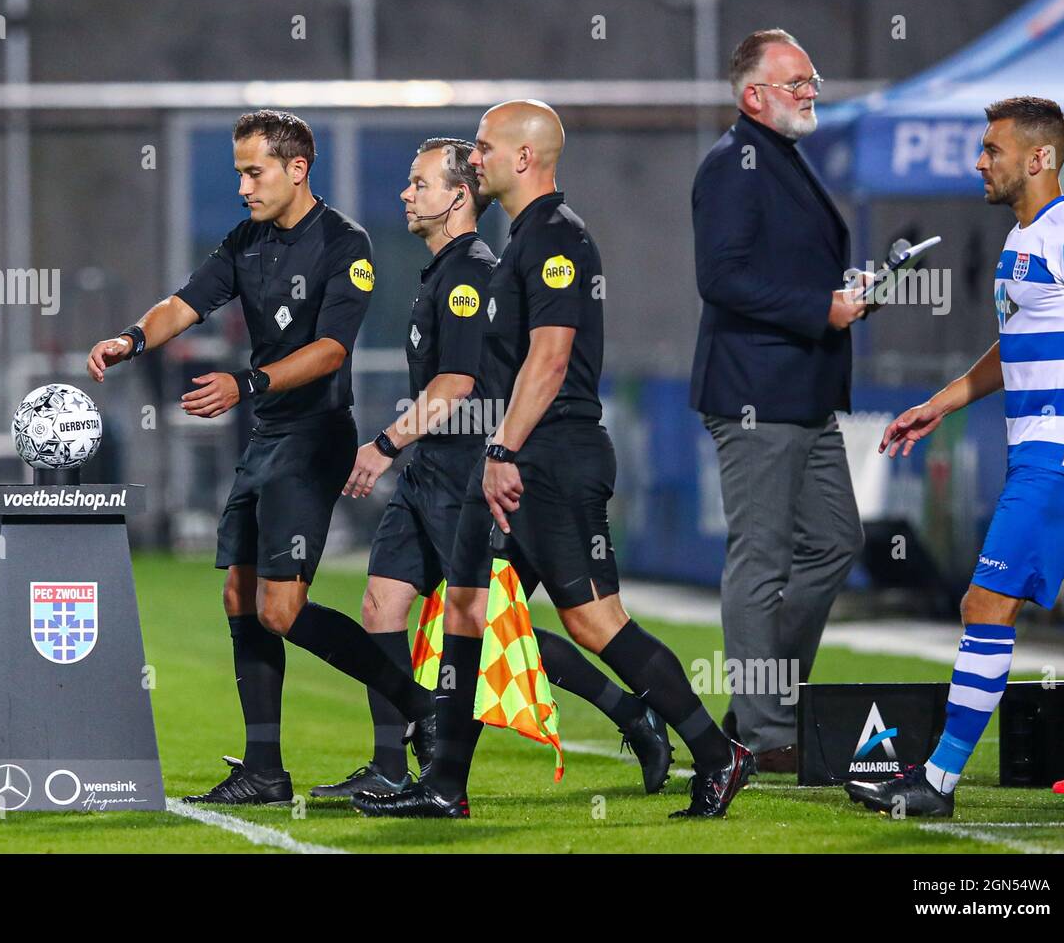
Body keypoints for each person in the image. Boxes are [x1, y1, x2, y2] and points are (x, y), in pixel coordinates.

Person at [354, 100, 751, 819]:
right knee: (468, 612)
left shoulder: (557, 238)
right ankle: (445, 786)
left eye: (483, 146)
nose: (475, 159)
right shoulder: (521, 240)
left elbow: (552, 355)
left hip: (552, 457)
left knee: (595, 624)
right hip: (511, 457)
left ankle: (717, 755)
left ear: (524, 157)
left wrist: (503, 447)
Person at [86, 110, 434, 806]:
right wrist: (131, 339)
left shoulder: (345, 243)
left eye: (255, 172)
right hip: (268, 438)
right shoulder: (246, 240)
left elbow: (333, 350)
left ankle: (421, 705)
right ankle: (265, 770)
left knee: (279, 610)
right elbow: (185, 303)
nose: (244, 186)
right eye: (239, 172)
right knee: (240, 595)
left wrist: (246, 383)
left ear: (296, 169)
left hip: (313, 440)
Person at [310, 137, 672, 800]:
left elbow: (459, 382)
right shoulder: (442, 271)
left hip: (470, 473)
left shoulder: (475, 272)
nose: (405, 195)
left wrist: (384, 444)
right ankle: (392, 764)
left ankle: (634, 713)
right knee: (380, 606)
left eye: (418, 184)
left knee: (495, 627)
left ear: (455, 198)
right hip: (429, 474)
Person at [846, 96, 1064, 816]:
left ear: (1040, 158)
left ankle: (938, 782)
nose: (980, 162)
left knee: (985, 603)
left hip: (1060, 454)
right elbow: (1015, 347)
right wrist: (944, 399)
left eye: (993, 149)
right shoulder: (1027, 240)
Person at [690, 28, 866, 772]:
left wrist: (842, 300)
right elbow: (720, 279)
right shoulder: (733, 165)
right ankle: (764, 736)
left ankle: (763, 696)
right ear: (752, 94)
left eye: (812, 78)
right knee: (760, 560)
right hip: (757, 394)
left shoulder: (780, 159)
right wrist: (816, 308)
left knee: (836, 542)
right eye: (795, 82)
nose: (811, 91)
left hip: (804, 391)